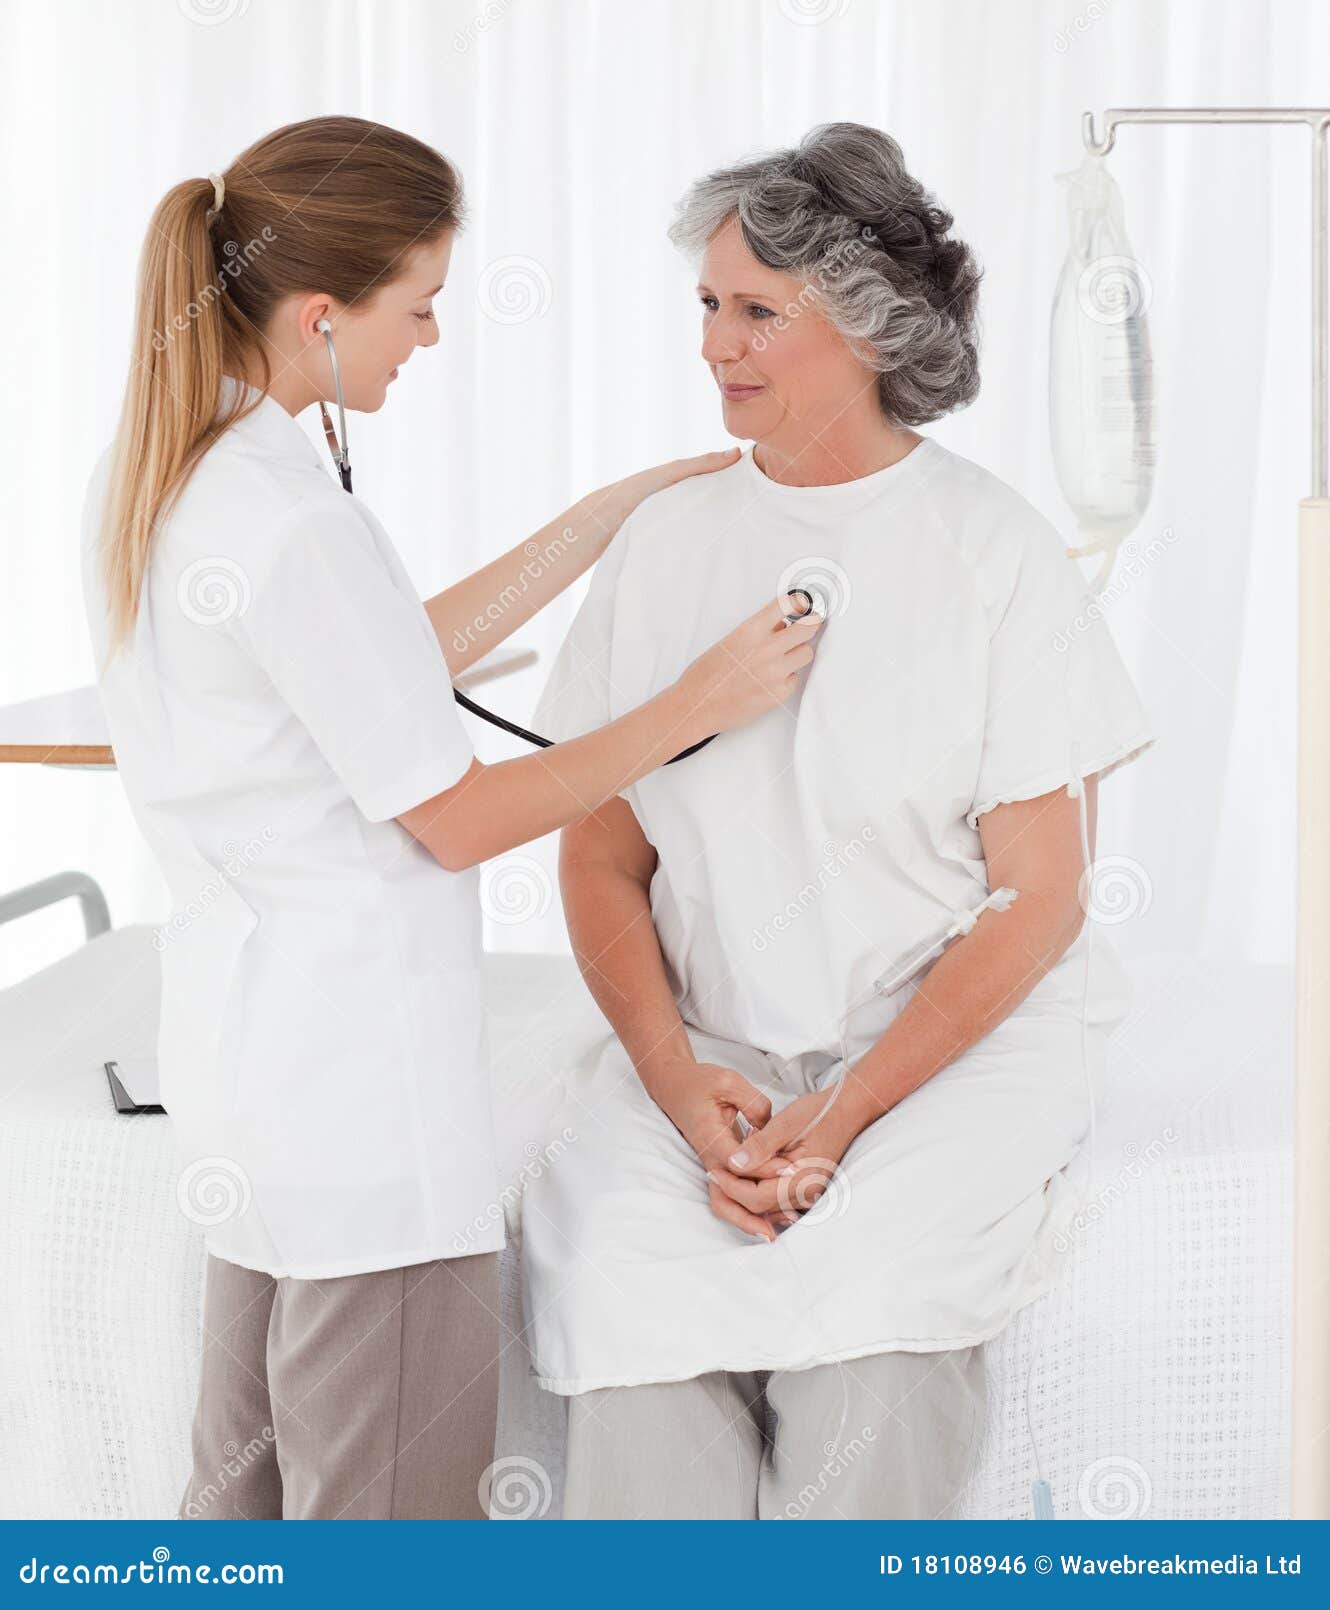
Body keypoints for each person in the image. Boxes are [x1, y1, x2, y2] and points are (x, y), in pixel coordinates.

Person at [79, 114, 824, 1521]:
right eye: (416, 308)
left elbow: (366, 655)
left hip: (253, 1087)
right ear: (319, 316)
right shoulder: (292, 522)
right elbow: (459, 818)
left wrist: (591, 522)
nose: (426, 339)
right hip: (360, 1119)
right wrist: (697, 697)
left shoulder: (175, 479)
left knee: (233, 1518)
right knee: (393, 1535)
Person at [520, 122, 1157, 1520]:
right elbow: (598, 853)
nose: (714, 346)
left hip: (937, 1056)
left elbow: (1038, 893)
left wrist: (846, 1110)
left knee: (873, 1305)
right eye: (706, 306)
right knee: (628, 1296)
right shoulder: (667, 547)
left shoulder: (990, 552)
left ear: (866, 325)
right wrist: (683, 1084)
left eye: (756, 311)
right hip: (710, 1055)